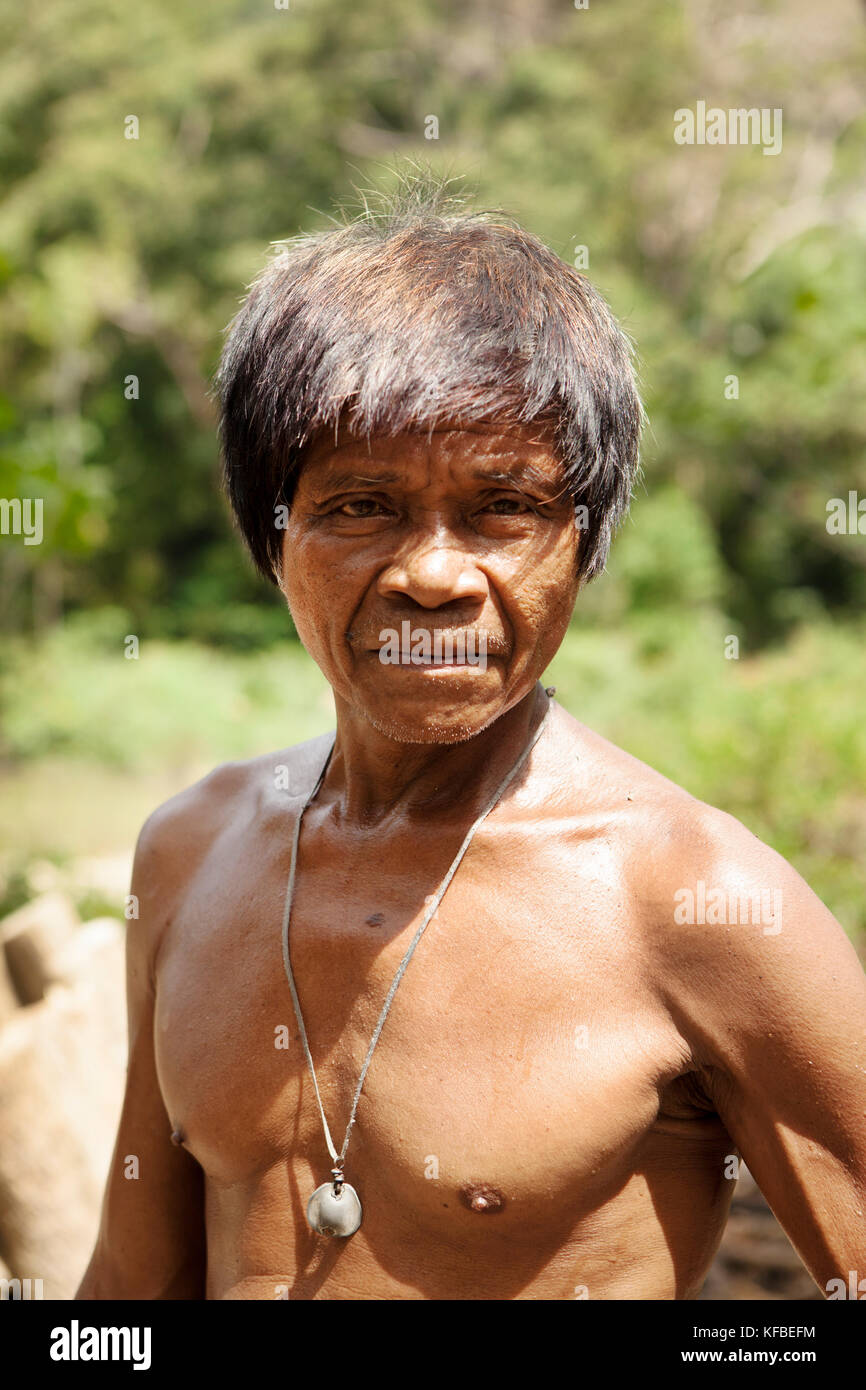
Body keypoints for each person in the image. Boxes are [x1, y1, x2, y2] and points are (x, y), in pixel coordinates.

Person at [77, 180, 866, 1300]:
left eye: (502, 508)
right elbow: (126, 1289)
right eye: (360, 506)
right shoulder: (189, 853)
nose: (433, 575)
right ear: (274, 532)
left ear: (581, 543)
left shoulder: (699, 905)